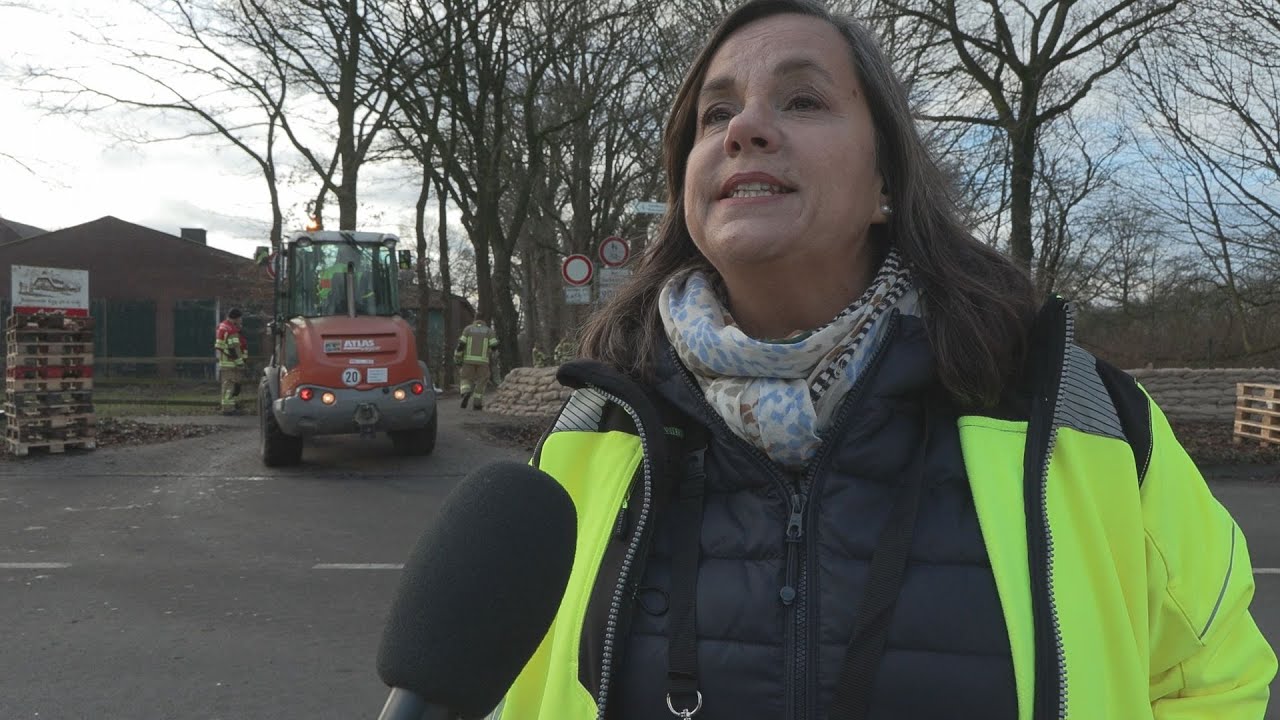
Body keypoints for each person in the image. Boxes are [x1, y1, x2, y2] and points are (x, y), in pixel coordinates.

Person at [487, 1, 1276, 719]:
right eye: (714, 112)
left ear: (886, 185)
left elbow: (1214, 678)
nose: (744, 128)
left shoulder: (1082, 414)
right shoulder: (593, 433)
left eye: (802, 100)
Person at [455, 316, 498, 410]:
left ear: (474, 320)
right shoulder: (489, 331)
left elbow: (461, 344)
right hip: (483, 361)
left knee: (465, 378)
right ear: (484, 321)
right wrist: (492, 353)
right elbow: (494, 345)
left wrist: (458, 356)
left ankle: (466, 392)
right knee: (482, 381)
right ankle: (477, 403)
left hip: (468, 360)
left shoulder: (468, 329)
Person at [214, 307, 248, 415]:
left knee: (230, 386)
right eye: (240, 318)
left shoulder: (223, 327)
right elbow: (233, 348)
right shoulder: (231, 330)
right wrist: (240, 362)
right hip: (231, 363)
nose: (241, 321)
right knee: (230, 386)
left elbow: (222, 346)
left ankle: (230, 406)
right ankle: (228, 409)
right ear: (236, 318)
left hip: (226, 362)